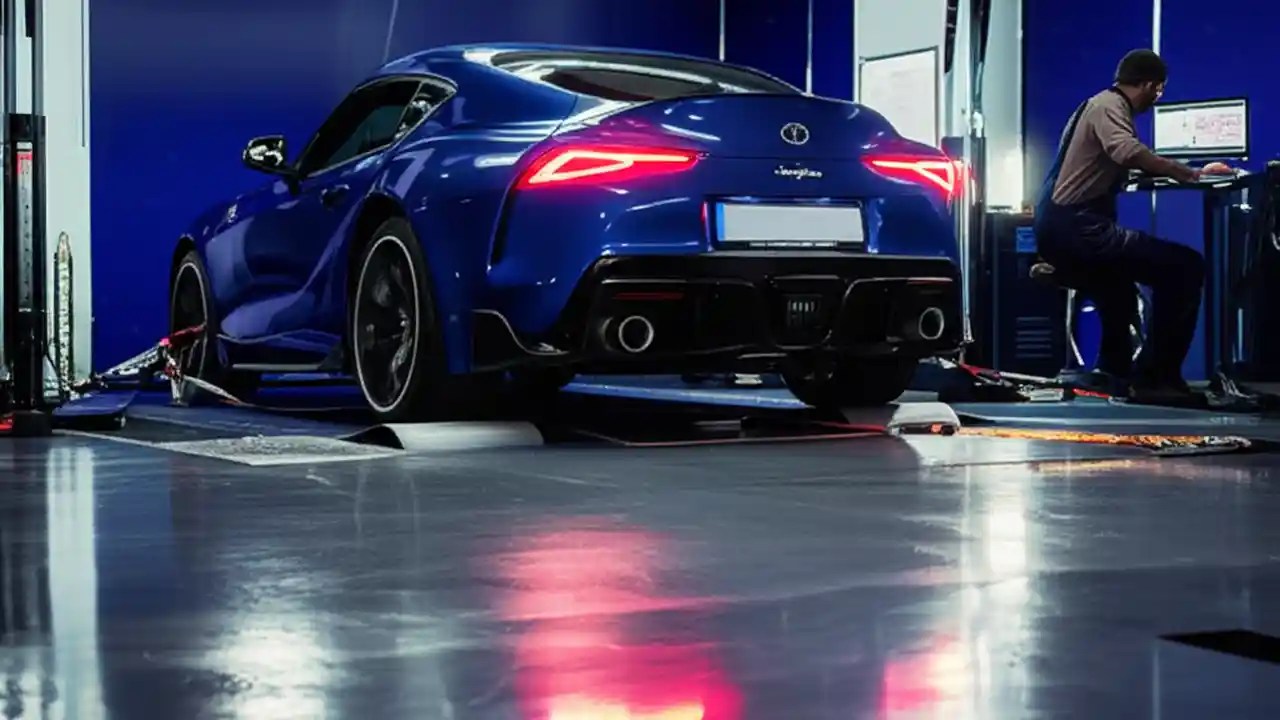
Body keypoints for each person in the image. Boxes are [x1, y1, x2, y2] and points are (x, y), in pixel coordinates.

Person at [1033, 49, 1233, 406]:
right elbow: (1125, 150)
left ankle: (1114, 372)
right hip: (1079, 229)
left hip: (1060, 228)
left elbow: (1116, 160)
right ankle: (1156, 378)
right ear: (1151, 86)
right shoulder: (1110, 106)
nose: (1157, 99)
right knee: (1184, 267)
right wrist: (1186, 172)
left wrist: (1184, 168)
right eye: (1159, 92)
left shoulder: (1095, 105)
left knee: (1118, 286)